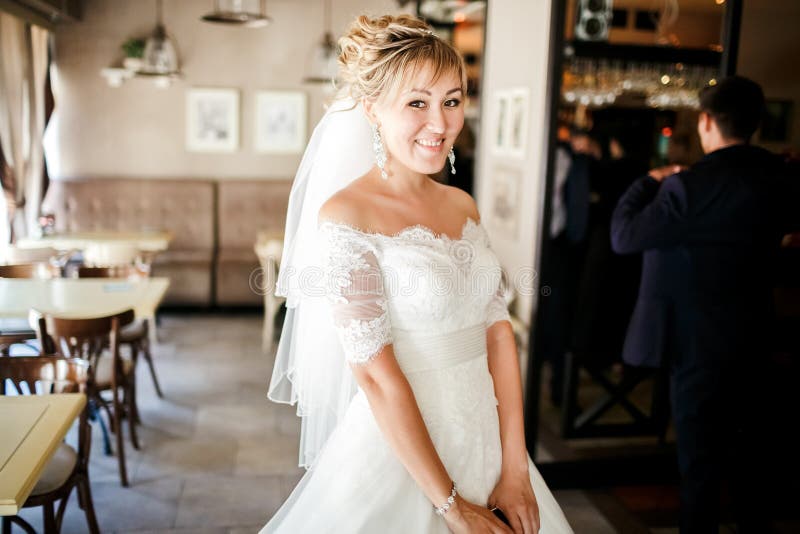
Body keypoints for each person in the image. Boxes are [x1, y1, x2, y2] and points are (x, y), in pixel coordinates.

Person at [262, 14, 573, 534]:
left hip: (491, 447)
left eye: (452, 101)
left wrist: (516, 466)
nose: (441, 123)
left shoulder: (463, 205)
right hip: (401, 455)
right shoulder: (345, 216)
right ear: (372, 111)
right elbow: (375, 374)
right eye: (417, 102)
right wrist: (452, 507)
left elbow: (498, 335)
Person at [610, 76, 800, 533]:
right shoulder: (783, 179)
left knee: (700, 466)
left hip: (697, 346)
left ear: (707, 122)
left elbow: (624, 236)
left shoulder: (688, 189)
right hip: (758, 335)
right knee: (754, 460)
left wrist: (648, 181)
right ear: (754, 123)